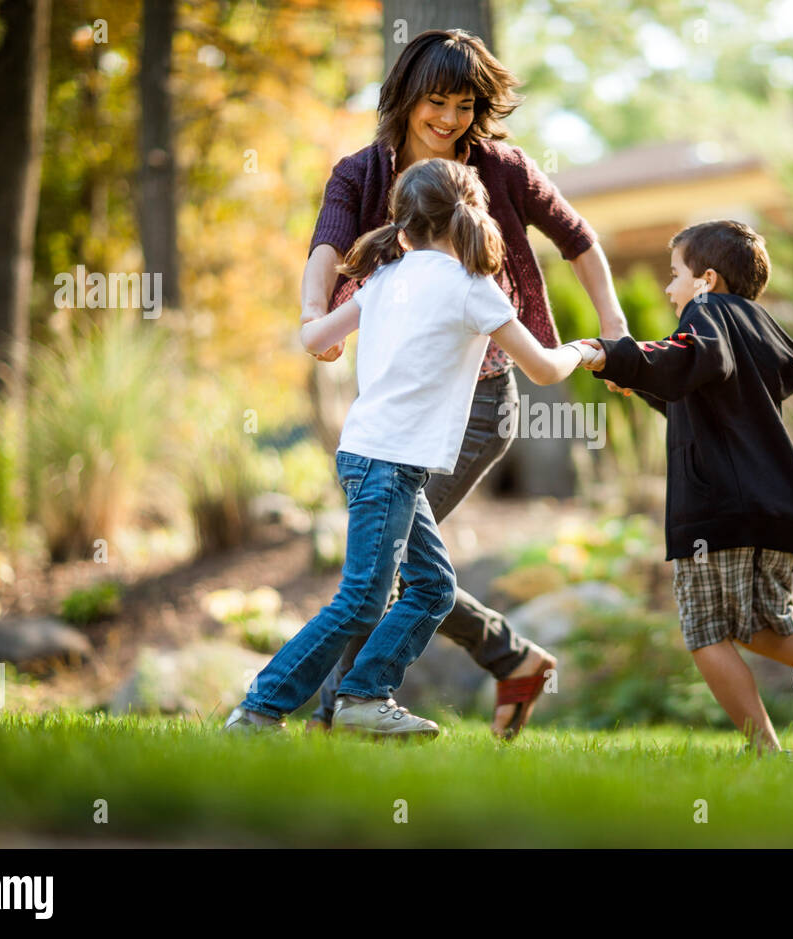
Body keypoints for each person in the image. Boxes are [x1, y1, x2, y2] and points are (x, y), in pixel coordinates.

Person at [301, 28, 631, 739]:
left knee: (381, 570)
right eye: (435, 101)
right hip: (390, 413)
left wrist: (614, 331)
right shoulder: (362, 173)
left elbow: (580, 239)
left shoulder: (503, 171)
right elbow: (327, 246)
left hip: (475, 407)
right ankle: (511, 658)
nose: (448, 118)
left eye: (462, 104)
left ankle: (331, 718)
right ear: (406, 98)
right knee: (394, 563)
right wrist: (313, 313)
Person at [226, 158, 603, 737]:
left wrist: (311, 316)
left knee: (431, 587)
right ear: (470, 219)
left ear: (403, 229)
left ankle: (360, 698)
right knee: (360, 600)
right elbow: (546, 370)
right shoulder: (476, 290)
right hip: (391, 462)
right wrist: (590, 349)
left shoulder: (382, 280)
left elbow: (316, 336)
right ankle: (261, 710)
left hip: (366, 456)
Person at [582, 220, 793, 757]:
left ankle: (764, 751)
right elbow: (694, 394)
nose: (669, 289)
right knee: (763, 625)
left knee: (705, 633)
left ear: (707, 279)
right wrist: (635, 377)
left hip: (718, 511)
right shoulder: (754, 330)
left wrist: (610, 353)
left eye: (675, 275)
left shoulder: (706, 313)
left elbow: (686, 359)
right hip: (770, 505)